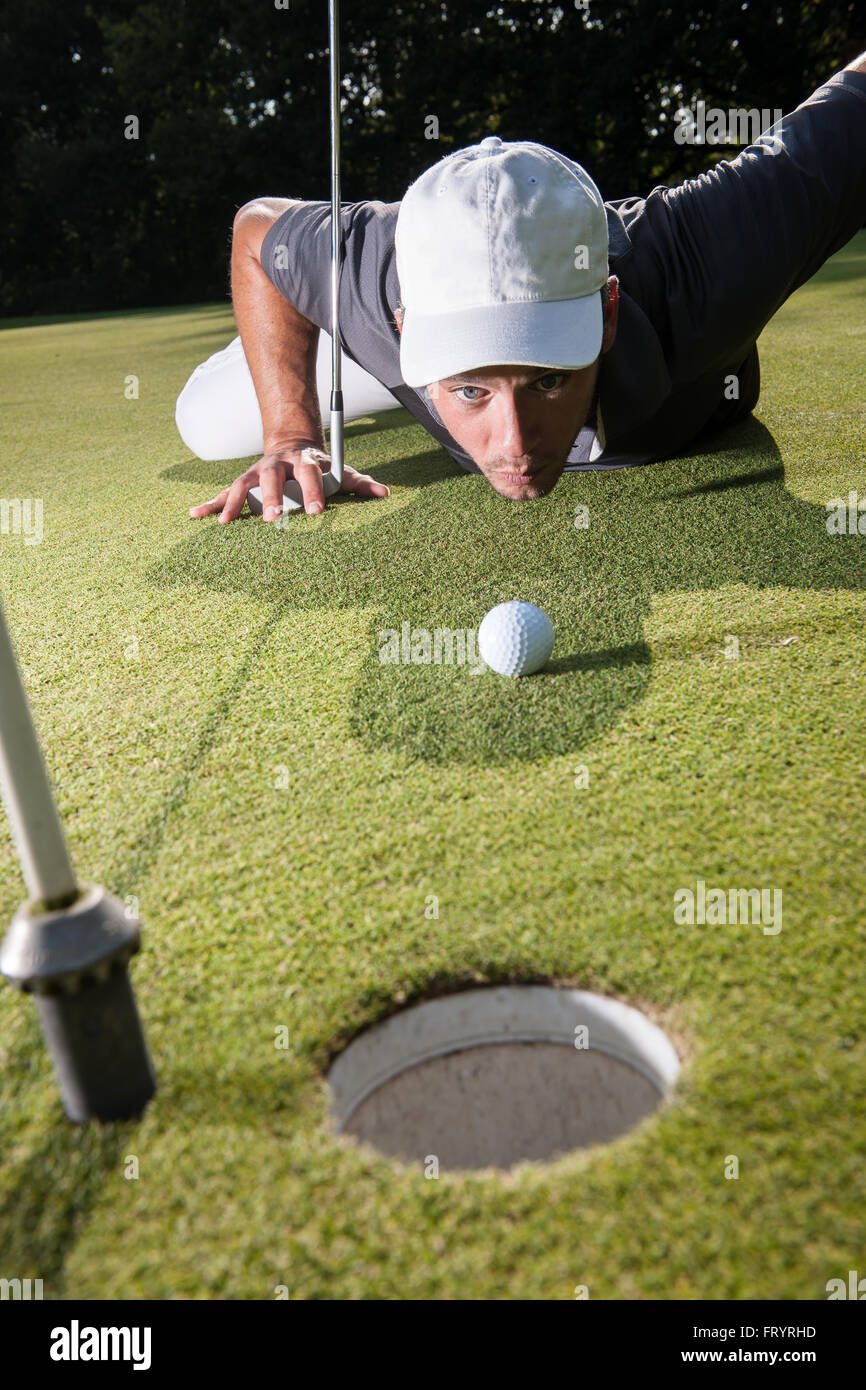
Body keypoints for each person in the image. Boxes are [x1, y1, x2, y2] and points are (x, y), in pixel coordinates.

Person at [182, 53, 866, 524]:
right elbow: (255, 230)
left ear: (606, 313)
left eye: (546, 379)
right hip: (375, 337)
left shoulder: (708, 256)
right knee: (208, 425)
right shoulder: (367, 278)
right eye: (473, 390)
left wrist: (476, 386)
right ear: (402, 326)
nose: (514, 443)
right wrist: (292, 432)